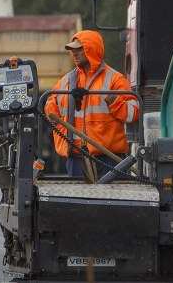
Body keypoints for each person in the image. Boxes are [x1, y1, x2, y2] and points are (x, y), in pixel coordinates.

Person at [43, 30, 139, 179]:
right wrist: (58, 110)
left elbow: (133, 114)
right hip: (75, 159)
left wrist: (111, 99)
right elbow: (50, 108)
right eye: (72, 50)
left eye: (79, 49)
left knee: (111, 202)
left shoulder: (115, 80)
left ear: (91, 49)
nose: (74, 53)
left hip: (109, 159)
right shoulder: (66, 82)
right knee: (78, 202)